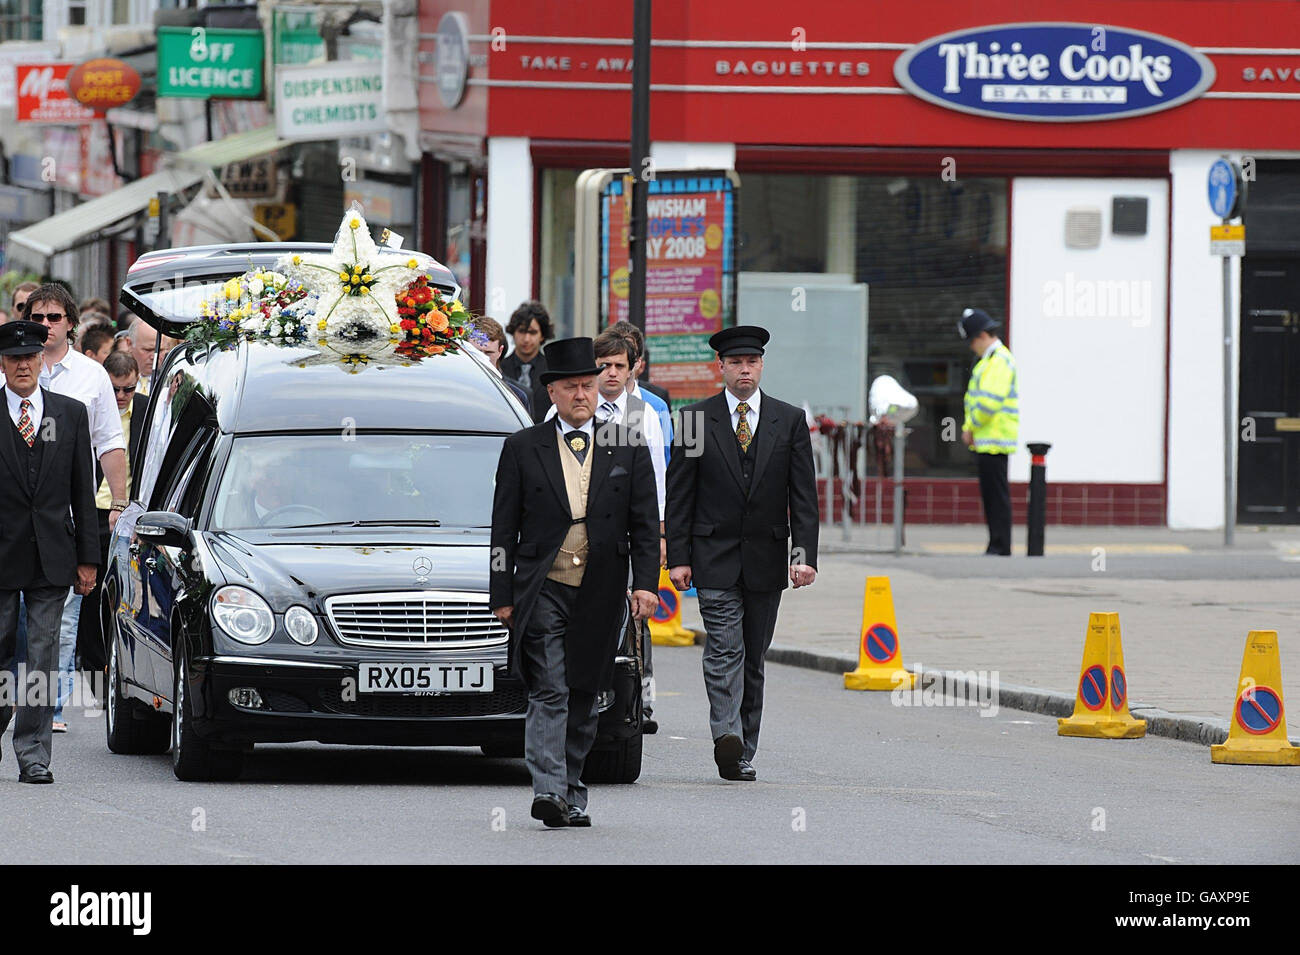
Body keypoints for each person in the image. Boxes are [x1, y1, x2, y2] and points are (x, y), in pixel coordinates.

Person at [490, 337, 659, 828]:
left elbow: (645, 524)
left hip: (602, 587)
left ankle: (572, 790)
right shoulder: (522, 447)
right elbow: (503, 528)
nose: (582, 394)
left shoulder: (627, 443)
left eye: (588, 385)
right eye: (571, 387)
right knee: (550, 689)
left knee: (585, 693)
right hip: (543, 586)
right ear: (553, 392)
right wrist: (501, 593)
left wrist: (645, 585)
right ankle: (546, 790)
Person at [666, 325, 819, 782]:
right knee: (724, 650)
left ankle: (743, 747)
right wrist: (678, 556)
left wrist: (803, 554)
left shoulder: (788, 420)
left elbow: (804, 495)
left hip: (768, 560)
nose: (744, 370)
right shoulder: (695, 419)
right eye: (736, 363)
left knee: (753, 657)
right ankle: (725, 734)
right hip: (712, 557)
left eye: (752, 362)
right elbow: (679, 494)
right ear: (722, 368)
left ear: (762, 365)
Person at [548, 330, 668, 733]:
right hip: (571, 547)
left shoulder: (641, 414)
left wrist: (659, 535)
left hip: (624, 535)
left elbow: (654, 482)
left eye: (619, 366)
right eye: (604, 367)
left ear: (632, 369)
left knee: (635, 619)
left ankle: (638, 696)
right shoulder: (561, 415)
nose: (611, 374)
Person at [0, 320, 99, 784]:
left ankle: (34, 754)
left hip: (52, 556)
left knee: (41, 657)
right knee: (3, 656)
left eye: (30, 356)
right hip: (1, 555)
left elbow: (84, 489)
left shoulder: (71, 413)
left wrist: (87, 558)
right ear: (2, 364)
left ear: (43, 360)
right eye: (13, 357)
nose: (23, 364)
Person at [28, 284, 127, 730]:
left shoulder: (92, 376)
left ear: (70, 322)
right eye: (38, 317)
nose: (45, 326)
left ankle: (48, 705)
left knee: (63, 618)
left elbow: (109, 442)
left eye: (53, 318)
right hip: (15, 515)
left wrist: (120, 501)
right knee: (15, 620)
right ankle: (20, 695)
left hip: (65, 515)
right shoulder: (12, 367)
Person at [76, 351, 147, 679]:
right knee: (90, 594)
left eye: (128, 390)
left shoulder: (147, 411)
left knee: (128, 595)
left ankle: (124, 669)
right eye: (115, 389)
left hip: (132, 513)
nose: (121, 397)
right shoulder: (89, 407)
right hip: (93, 510)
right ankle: (94, 670)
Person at [958, 308, 1019, 556]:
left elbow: (988, 403)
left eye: (972, 341)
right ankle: (996, 543)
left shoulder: (999, 361)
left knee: (997, 497)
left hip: (994, 440)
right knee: (992, 496)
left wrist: (970, 426)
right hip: (987, 440)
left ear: (982, 335)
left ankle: (1000, 545)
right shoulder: (990, 361)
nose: (972, 347)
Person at [608, 320, 673, 466]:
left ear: (638, 362)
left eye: (630, 353)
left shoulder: (657, 406)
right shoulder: (591, 402)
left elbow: (665, 457)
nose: (623, 357)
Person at [500, 301, 553, 423]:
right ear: (513, 333)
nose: (526, 339)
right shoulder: (499, 368)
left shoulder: (552, 370)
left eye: (532, 332)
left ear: (542, 335)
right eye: (522, 331)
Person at [468, 316, 532, 410]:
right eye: (476, 352)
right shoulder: (450, 388)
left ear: (500, 351)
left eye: (488, 353)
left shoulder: (517, 397)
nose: (482, 358)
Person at [130, 320, 180, 396]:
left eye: (160, 350)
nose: (153, 357)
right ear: (130, 344)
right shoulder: (117, 377)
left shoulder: (173, 381)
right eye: (147, 350)